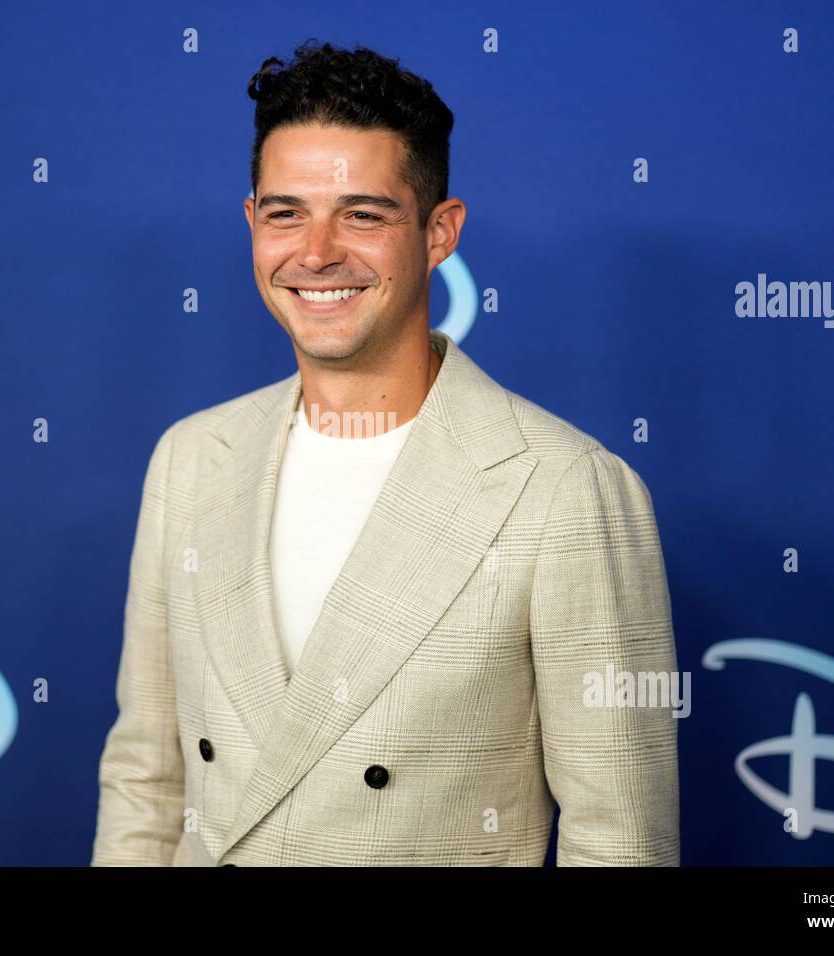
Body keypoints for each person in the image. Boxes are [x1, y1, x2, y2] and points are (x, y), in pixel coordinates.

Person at [91, 40, 679, 866]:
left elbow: (620, 840)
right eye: (285, 212)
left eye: (363, 214)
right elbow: (147, 782)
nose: (318, 251)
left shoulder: (565, 489)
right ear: (252, 224)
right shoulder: (191, 459)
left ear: (440, 233)